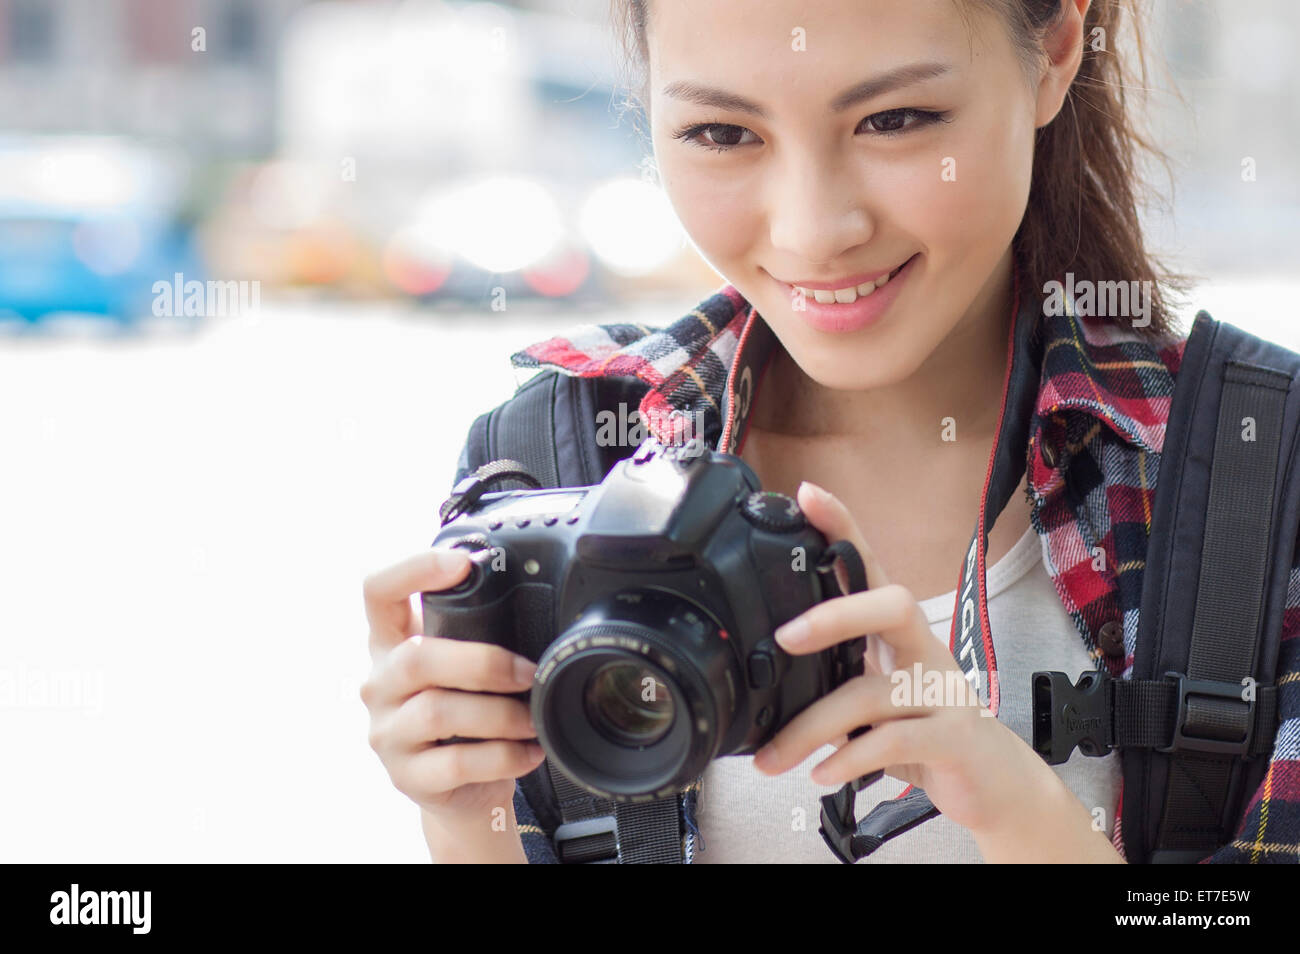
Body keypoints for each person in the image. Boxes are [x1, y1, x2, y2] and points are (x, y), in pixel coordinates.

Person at [361, 0, 1299, 863]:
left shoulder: (1260, 471)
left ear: (1055, 49)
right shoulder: (553, 451)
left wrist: (1016, 807)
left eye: (894, 121)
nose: (814, 232)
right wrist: (463, 813)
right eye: (722, 133)